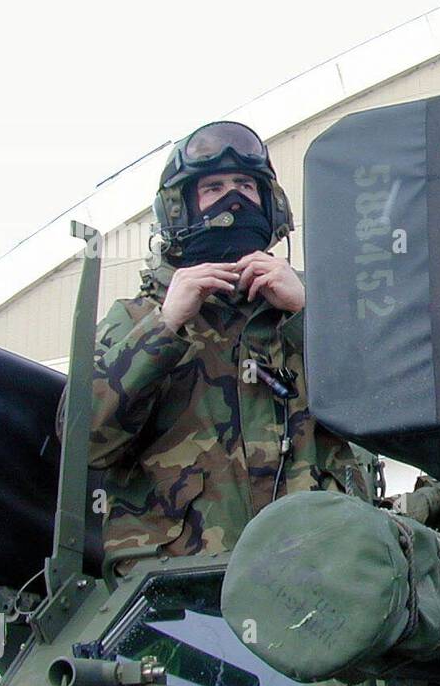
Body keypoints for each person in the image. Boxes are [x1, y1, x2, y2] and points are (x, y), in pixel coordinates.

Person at [84, 120, 371, 564]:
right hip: (179, 584)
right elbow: (87, 442)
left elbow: (385, 408)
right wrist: (166, 325)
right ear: (180, 210)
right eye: (213, 187)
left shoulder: (317, 308)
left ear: (269, 204)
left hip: (319, 572)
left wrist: (308, 316)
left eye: (245, 185)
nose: (233, 198)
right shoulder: (137, 318)